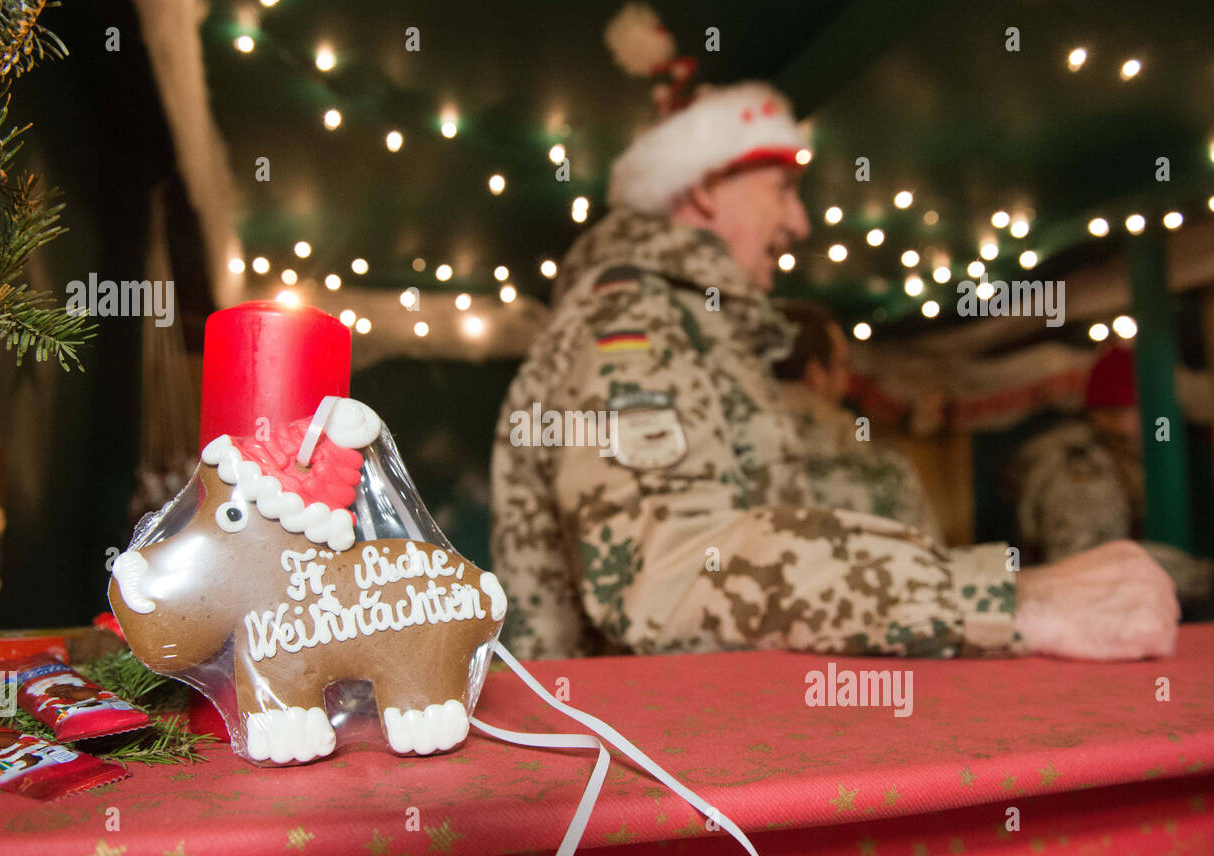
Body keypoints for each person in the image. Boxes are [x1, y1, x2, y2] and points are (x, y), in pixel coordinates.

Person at [490, 80, 1178, 662]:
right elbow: (664, 574)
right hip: (640, 786)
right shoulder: (634, 323)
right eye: (784, 188)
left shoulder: (691, 326)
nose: (800, 221)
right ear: (704, 190)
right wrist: (1010, 598)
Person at [1009, 345, 1213, 608]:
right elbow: (1084, 563)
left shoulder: (1148, 456)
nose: (1127, 423)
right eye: (1115, 411)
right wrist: (1200, 577)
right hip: (1082, 614)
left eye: (1137, 409)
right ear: (1099, 413)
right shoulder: (1080, 469)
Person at [763, 302, 944, 542]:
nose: (847, 383)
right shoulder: (885, 472)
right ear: (815, 375)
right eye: (842, 366)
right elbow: (931, 566)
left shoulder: (725, 459)